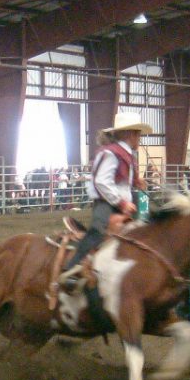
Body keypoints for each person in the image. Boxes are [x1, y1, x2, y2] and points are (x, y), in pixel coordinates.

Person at [58, 112, 151, 293]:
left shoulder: (124, 154)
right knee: (97, 231)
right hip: (107, 203)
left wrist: (136, 181)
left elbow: (120, 179)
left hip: (121, 203)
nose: (139, 138)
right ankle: (71, 269)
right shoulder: (111, 153)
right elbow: (102, 181)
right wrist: (122, 203)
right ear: (130, 134)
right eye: (138, 134)